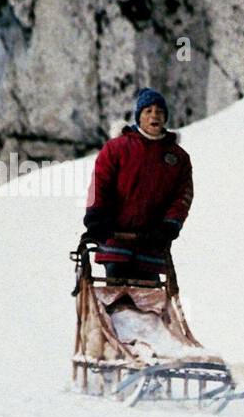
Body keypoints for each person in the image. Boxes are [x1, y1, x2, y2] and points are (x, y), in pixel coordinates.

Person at [82, 88, 194, 280]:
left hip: (151, 240)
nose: (154, 115)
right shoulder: (117, 148)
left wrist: (169, 226)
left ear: (165, 117)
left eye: (159, 111)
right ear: (139, 117)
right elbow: (100, 184)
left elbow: (182, 195)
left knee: (150, 303)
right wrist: (95, 217)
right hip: (115, 236)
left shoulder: (177, 157)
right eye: (148, 111)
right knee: (117, 297)